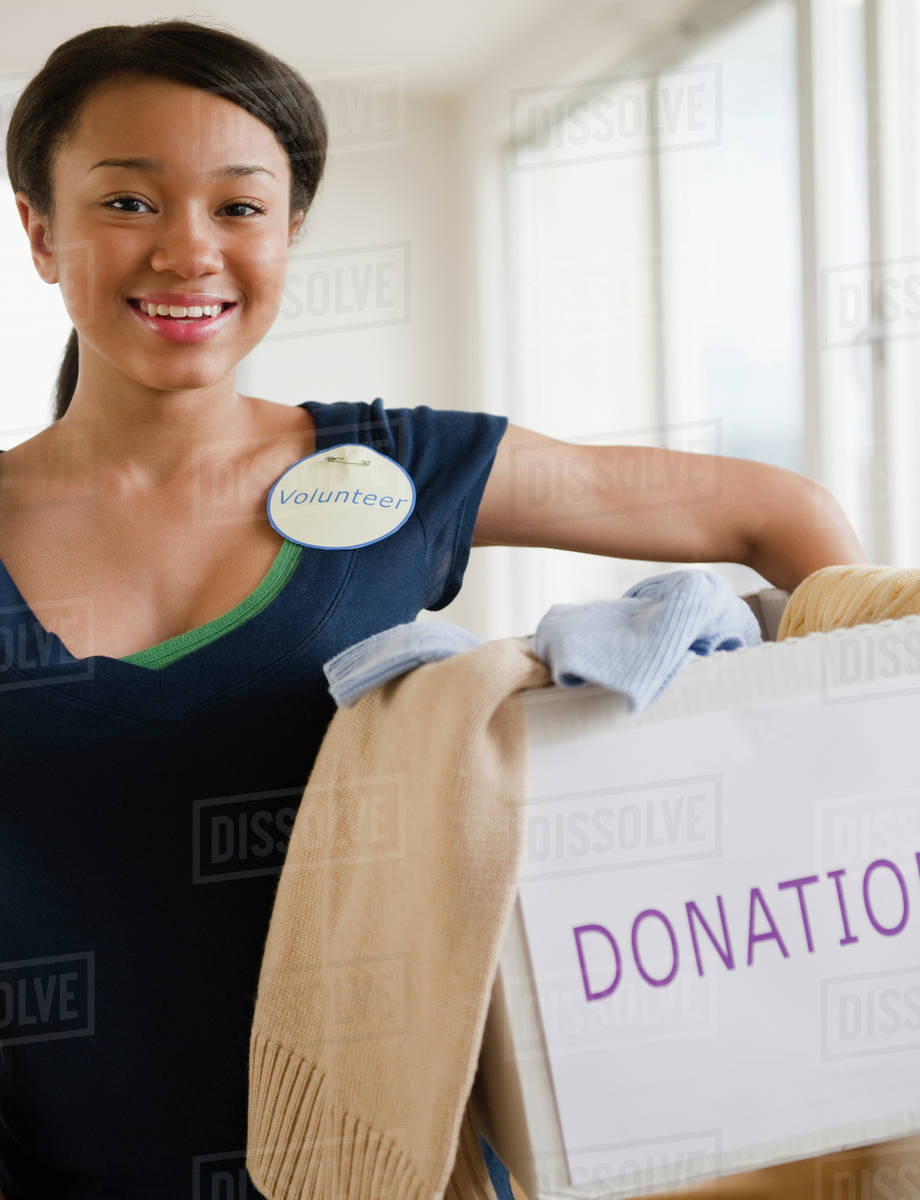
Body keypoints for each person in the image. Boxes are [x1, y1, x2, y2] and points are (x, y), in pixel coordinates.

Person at [0, 17, 866, 1200]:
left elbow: (776, 513)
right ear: (41, 231)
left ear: (292, 231)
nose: (188, 250)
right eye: (129, 204)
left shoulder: (400, 468)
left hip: (392, 1173)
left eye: (240, 207)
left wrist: (843, 778)